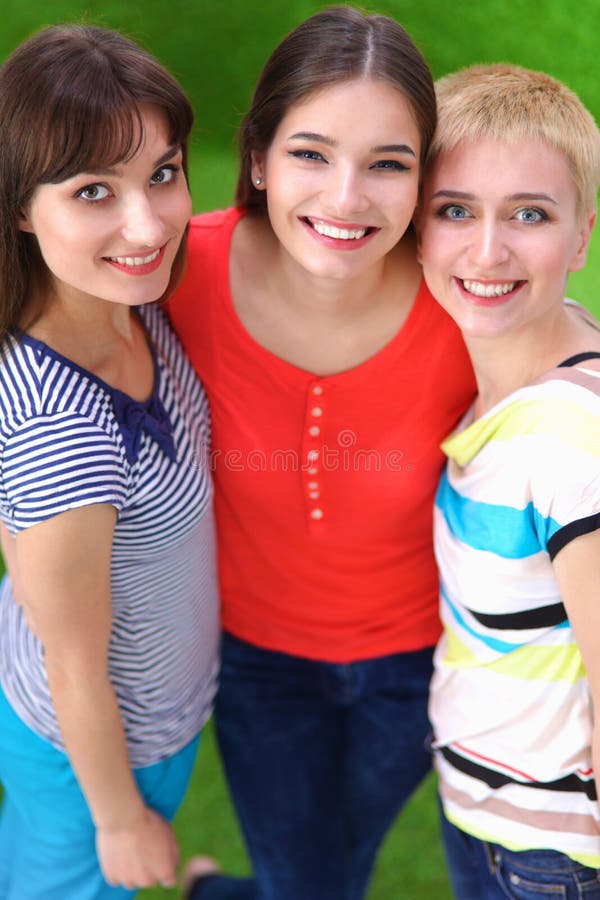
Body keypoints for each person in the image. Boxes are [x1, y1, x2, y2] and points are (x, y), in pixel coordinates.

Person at [167, 7, 476, 899]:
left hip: (422, 663)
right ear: (258, 157)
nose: (346, 198)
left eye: (389, 164)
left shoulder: (462, 299)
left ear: (424, 181)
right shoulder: (178, 274)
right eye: (311, 153)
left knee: (331, 871)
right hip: (259, 660)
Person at [0, 24, 219, 900]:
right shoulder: (60, 432)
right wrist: (119, 817)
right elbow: (74, 666)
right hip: (94, 748)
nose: (148, 223)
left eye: (163, 173)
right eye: (94, 190)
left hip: (153, 713)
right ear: (20, 205)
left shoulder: (133, 300)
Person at [417, 64, 600, 897]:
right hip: (491, 817)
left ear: (582, 236)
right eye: (455, 210)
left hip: (548, 858)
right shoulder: (546, 363)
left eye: (529, 214)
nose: (487, 251)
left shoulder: (569, 436)